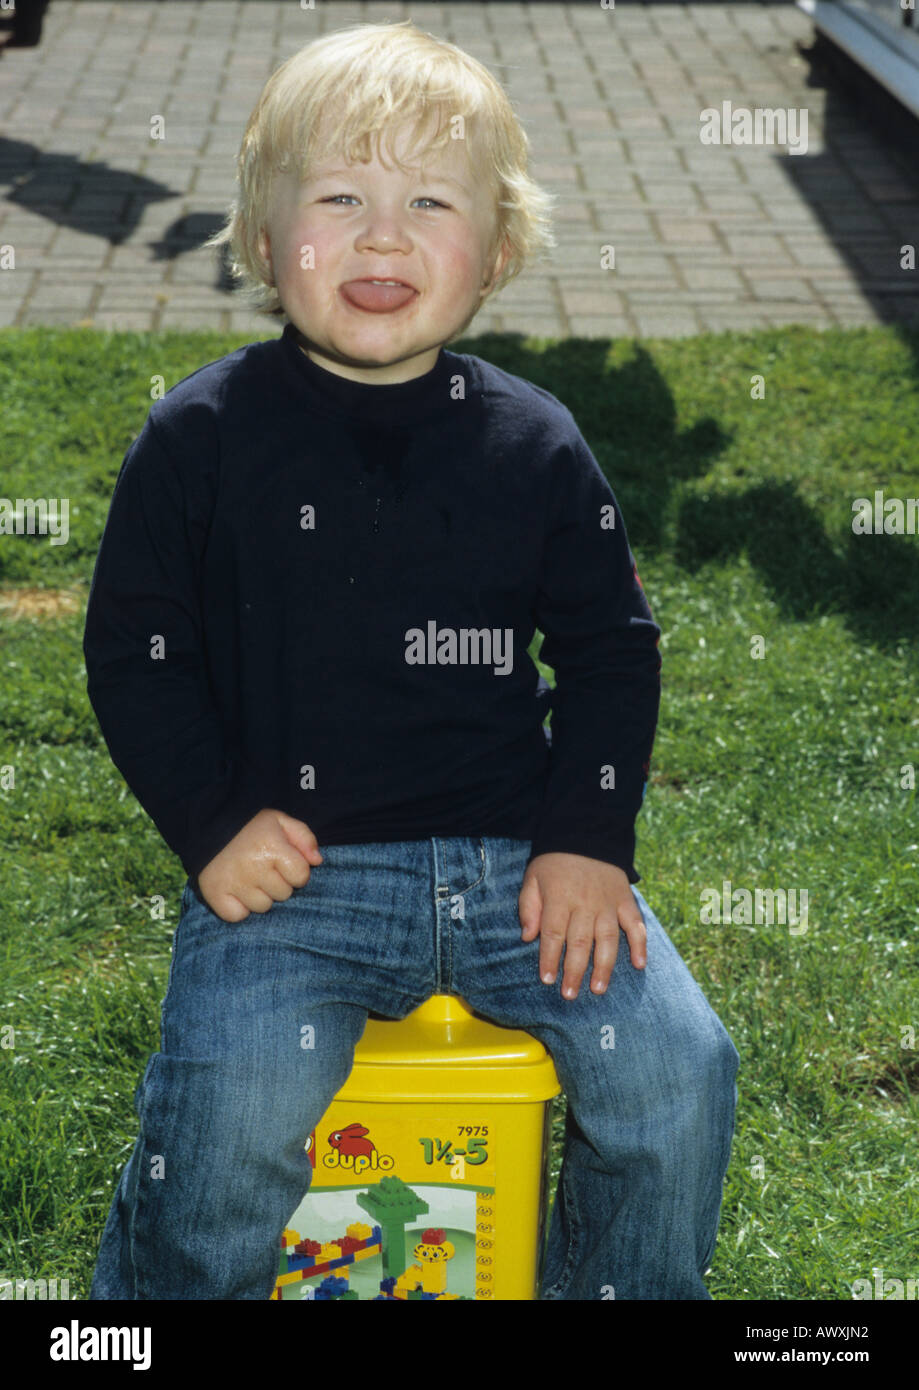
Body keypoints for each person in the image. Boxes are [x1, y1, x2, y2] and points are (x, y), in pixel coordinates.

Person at [83, 19, 739, 1301]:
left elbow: (613, 649)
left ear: (494, 252)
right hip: (294, 878)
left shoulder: (534, 443)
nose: (383, 236)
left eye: (429, 202)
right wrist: (215, 822)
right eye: (339, 197)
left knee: (675, 1068)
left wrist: (589, 839)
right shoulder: (199, 437)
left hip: (515, 864)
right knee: (233, 1107)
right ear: (265, 238)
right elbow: (136, 652)